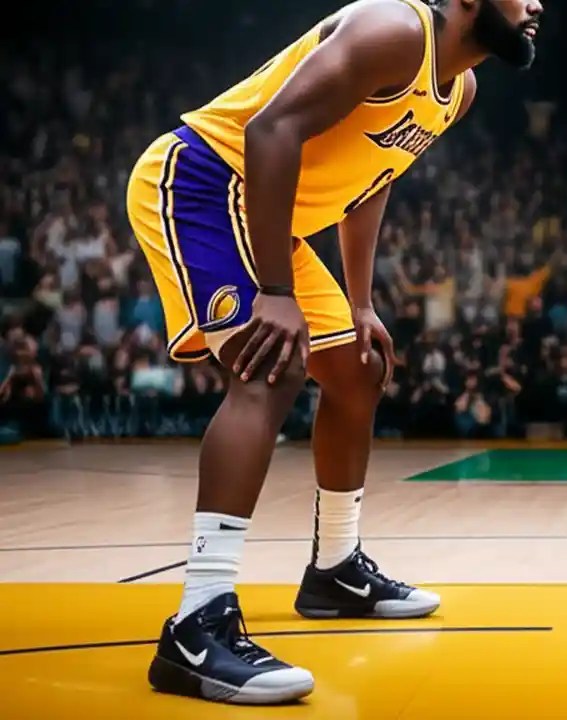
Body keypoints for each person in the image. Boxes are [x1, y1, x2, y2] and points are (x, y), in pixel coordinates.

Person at [125, 0, 543, 705]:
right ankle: (196, 624)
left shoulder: (460, 90)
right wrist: (275, 291)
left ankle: (335, 570)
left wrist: (359, 302)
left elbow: (370, 180)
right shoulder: (394, 31)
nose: (535, 6)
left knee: (358, 369)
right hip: (200, 183)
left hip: (268, 216)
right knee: (272, 365)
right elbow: (271, 130)